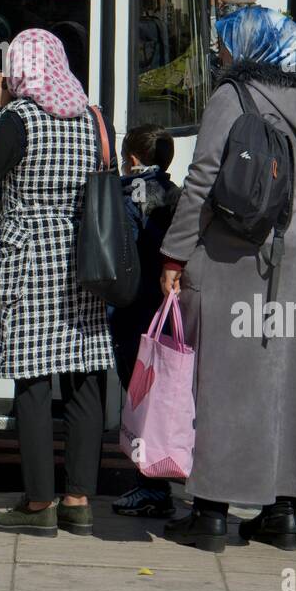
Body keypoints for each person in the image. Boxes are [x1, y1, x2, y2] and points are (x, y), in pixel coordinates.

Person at [159, 5, 296, 553]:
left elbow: (201, 181)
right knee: (286, 381)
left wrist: (174, 253)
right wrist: (289, 220)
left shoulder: (231, 98)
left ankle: (210, 511)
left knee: (225, 383)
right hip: (293, 251)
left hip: (234, 254)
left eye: (226, 44)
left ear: (248, 47)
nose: (220, 53)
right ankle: (283, 512)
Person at [0, 28, 116, 538]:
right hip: (84, 258)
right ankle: (77, 498)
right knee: (83, 374)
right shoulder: (94, 117)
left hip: (30, 255)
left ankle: (38, 503)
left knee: (32, 379)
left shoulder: (19, 118)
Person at [110, 122, 180, 518]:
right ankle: (157, 481)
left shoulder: (126, 196)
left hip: (133, 311)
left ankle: (151, 487)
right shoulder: (175, 193)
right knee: (161, 396)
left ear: (132, 161)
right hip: (166, 310)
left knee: (140, 396)